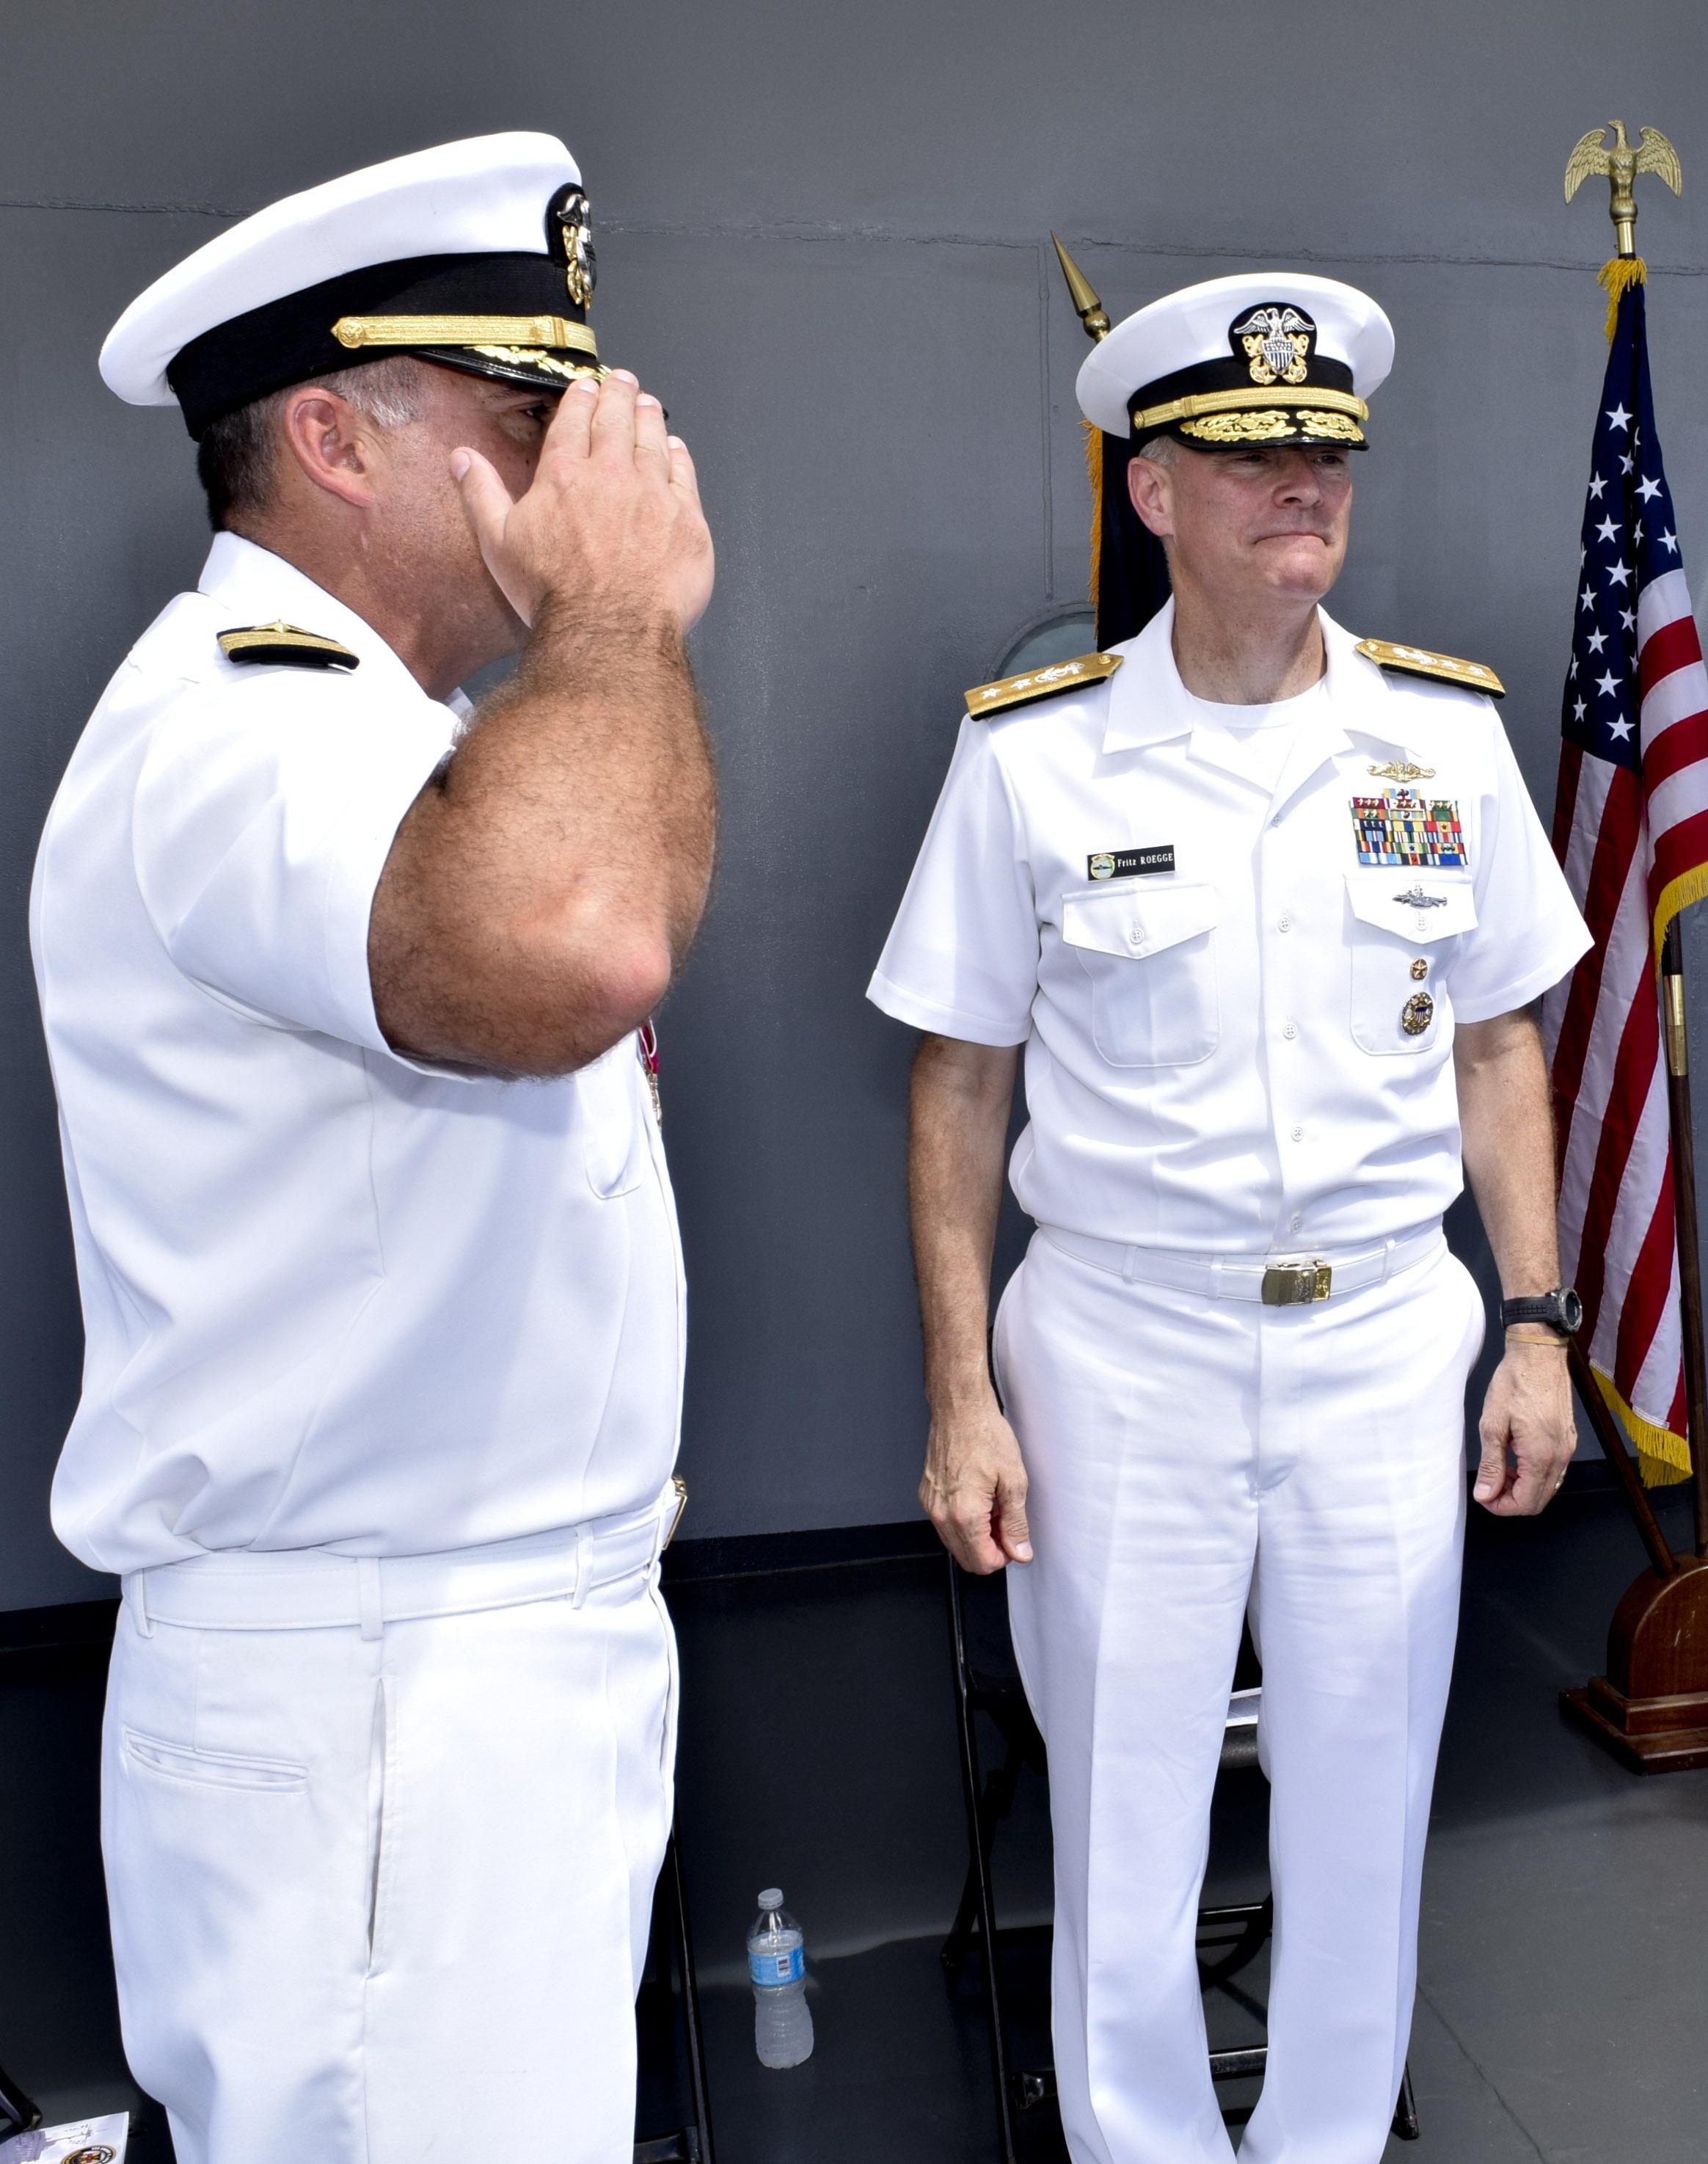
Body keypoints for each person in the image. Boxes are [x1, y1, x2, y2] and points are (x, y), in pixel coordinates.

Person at [34, 134, 715, 2163]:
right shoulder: (243, 727)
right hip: (385, 1691)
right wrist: (609, 625)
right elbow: (577, 946)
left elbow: (637, 899)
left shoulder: (398, 725)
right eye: (528, 421)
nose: (581, 471)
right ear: (332, 437)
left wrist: (626, 641)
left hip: (493, 1650)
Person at [869, 271, 1591, 2164]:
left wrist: (1535, 1324)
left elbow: (1501, 1041)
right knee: (1125, 1812)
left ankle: (1327, 2144)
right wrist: (963, 1391)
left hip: (1379, 1334)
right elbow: (956, 1085)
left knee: (1365, 1792)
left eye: (1327, 450)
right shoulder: (1034, 751)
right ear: (1152, 495)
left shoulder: (1441, 738)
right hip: (1120, 1342)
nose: (1305, 487)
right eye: (1253, 457)